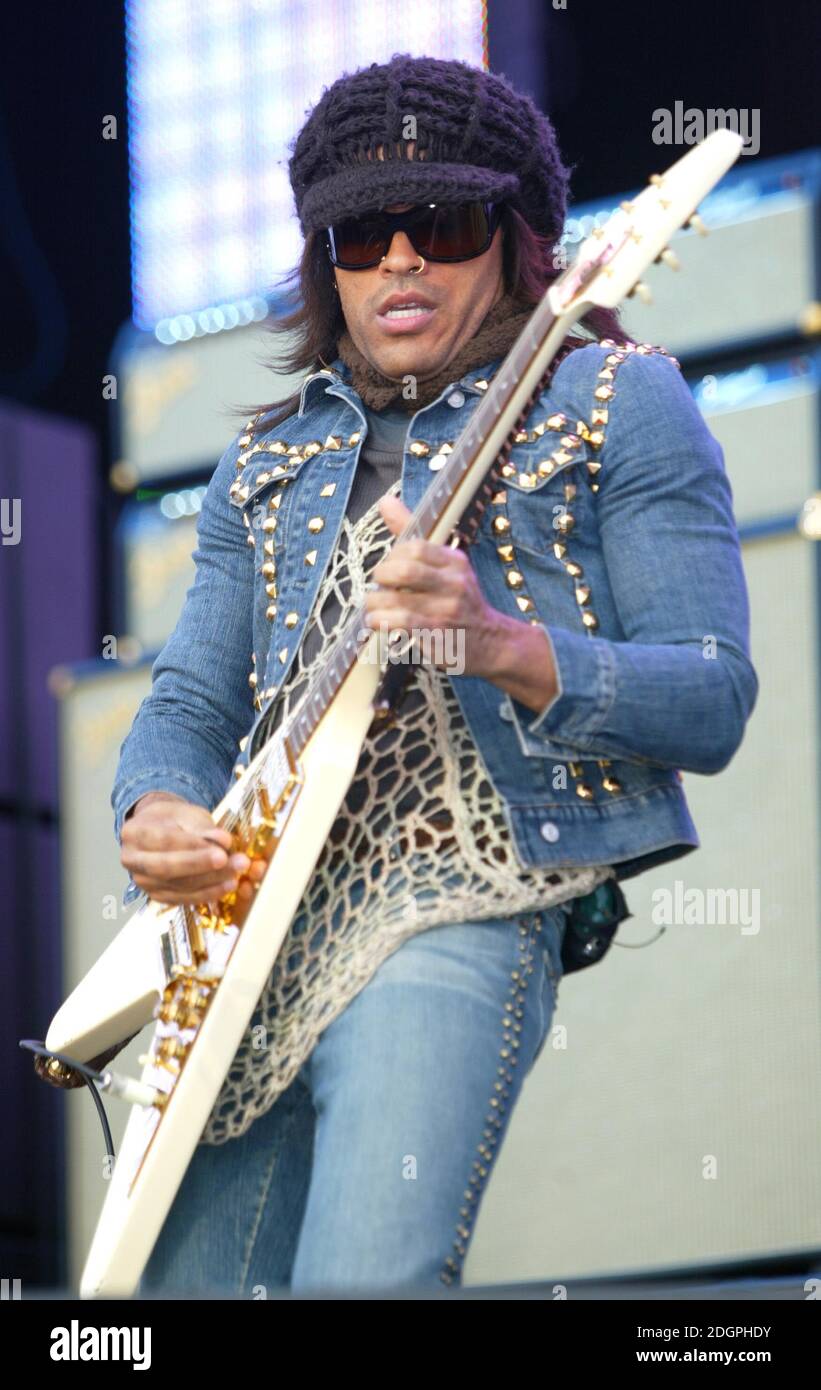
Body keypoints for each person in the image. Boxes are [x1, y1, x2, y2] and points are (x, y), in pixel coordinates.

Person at [113, 54, 758, 1295]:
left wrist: (499, 643)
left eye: (442, 222)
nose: (400, 259)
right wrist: (151, 805)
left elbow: (711, 694)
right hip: (247, 937)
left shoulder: (621, 399)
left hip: (457, 890)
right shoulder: (263, 461)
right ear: (327, 261)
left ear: (516, 241)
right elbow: (191, 700)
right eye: (362, 232)